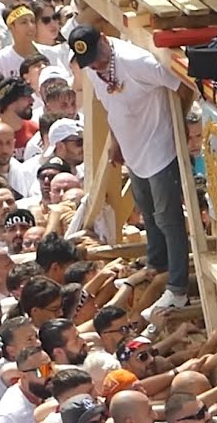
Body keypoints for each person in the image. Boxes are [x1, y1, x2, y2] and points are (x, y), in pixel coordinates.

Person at [70, 25, 192, 316]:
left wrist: (181, 123)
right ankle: (157, 263)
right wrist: (115, 142)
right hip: (133, 149)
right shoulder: (93, 69)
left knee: (168, 218)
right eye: (90, 63)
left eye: (98, 58)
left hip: (160, 147)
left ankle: (177, 286)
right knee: (147, 210)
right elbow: (111, 107)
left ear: (104, 40)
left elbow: (184, 86)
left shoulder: (137, 62)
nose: (97, 66)